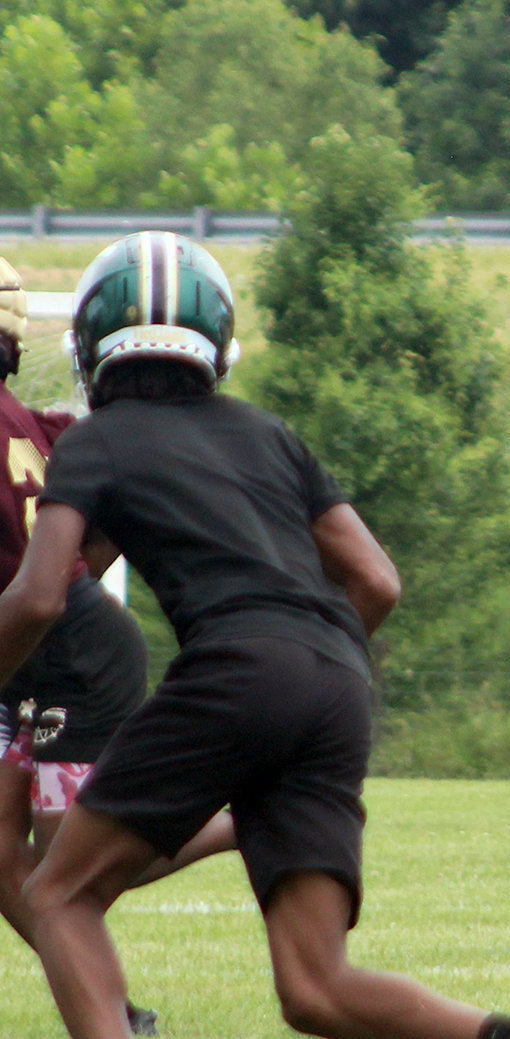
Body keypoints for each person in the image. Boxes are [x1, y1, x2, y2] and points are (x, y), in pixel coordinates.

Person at [0, 232, 510, 1039]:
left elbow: (41, 594)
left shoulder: (91, 442)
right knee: (315, 988)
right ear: (217, 345)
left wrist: (252, 678)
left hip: (236, 670)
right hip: (335, 682)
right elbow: (377, 581)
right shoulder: (269, 435)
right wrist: (300, 669)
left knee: (56, 892)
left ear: (90, 345)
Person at [0, 256, 235, 1037]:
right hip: (32, 639)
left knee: (77, 859)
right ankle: (113, 1010)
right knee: (4, 854)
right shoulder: (31, 421)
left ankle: (244, 818)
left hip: (69, 646)